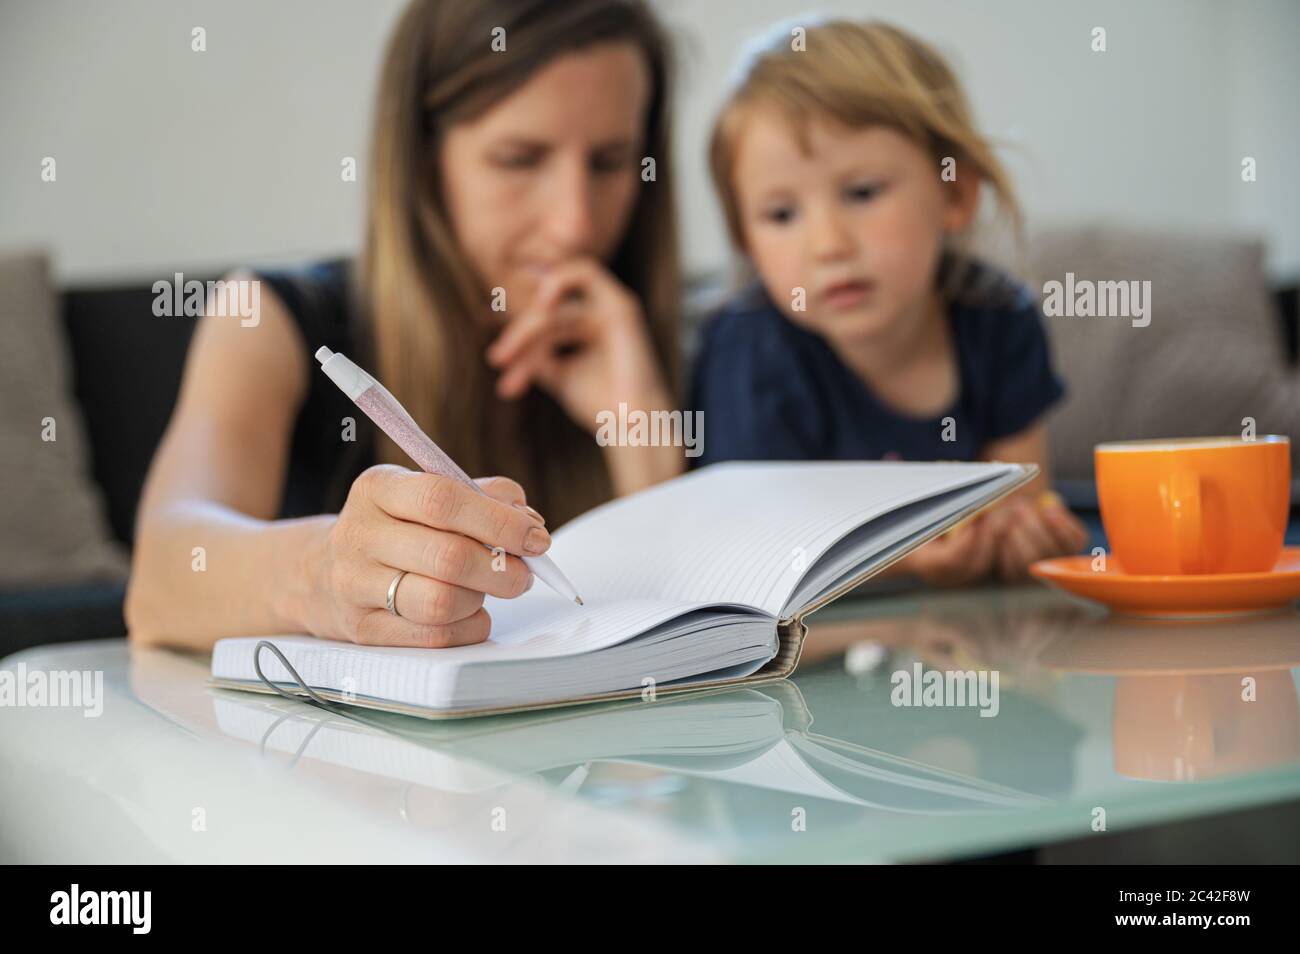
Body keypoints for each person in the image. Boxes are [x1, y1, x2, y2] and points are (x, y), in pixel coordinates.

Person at [126, 0, 684, 650]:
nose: (575, 224)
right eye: (519, 159)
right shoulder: (272, 318)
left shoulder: (662, 338)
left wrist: (641, 433)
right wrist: (323, 570)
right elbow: (160, 582)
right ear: (423, 160)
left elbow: (687, 630)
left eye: (612, 163)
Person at [692, 19, 1088, 584]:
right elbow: (752, 557)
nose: (829, 245)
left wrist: (1025, 536)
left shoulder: (1000, 318)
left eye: (862, 193)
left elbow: (1021, 497)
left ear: (954, 194)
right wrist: (902, 563)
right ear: (746, 243)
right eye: (782, 215)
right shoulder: (750, 349)